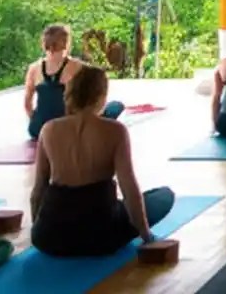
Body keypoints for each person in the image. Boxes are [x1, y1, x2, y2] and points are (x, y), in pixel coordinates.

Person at [30, 66, 174, 256]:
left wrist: (38, 229)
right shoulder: (115, 131)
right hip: (101, 236)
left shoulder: (48, 130)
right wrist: (147, 237)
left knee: (124, 205)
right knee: (164, 196)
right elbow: (129, 188)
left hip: (49, 238)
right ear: (102, 96)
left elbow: (38, 189)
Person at [24, 24, 124, 140]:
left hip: (38, 129)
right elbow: (98, 82)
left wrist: (37, 120)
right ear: (67, 44)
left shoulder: (33, 68)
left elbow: (27, 104)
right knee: (116, 106)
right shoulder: (77, 67)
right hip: (69, 128)